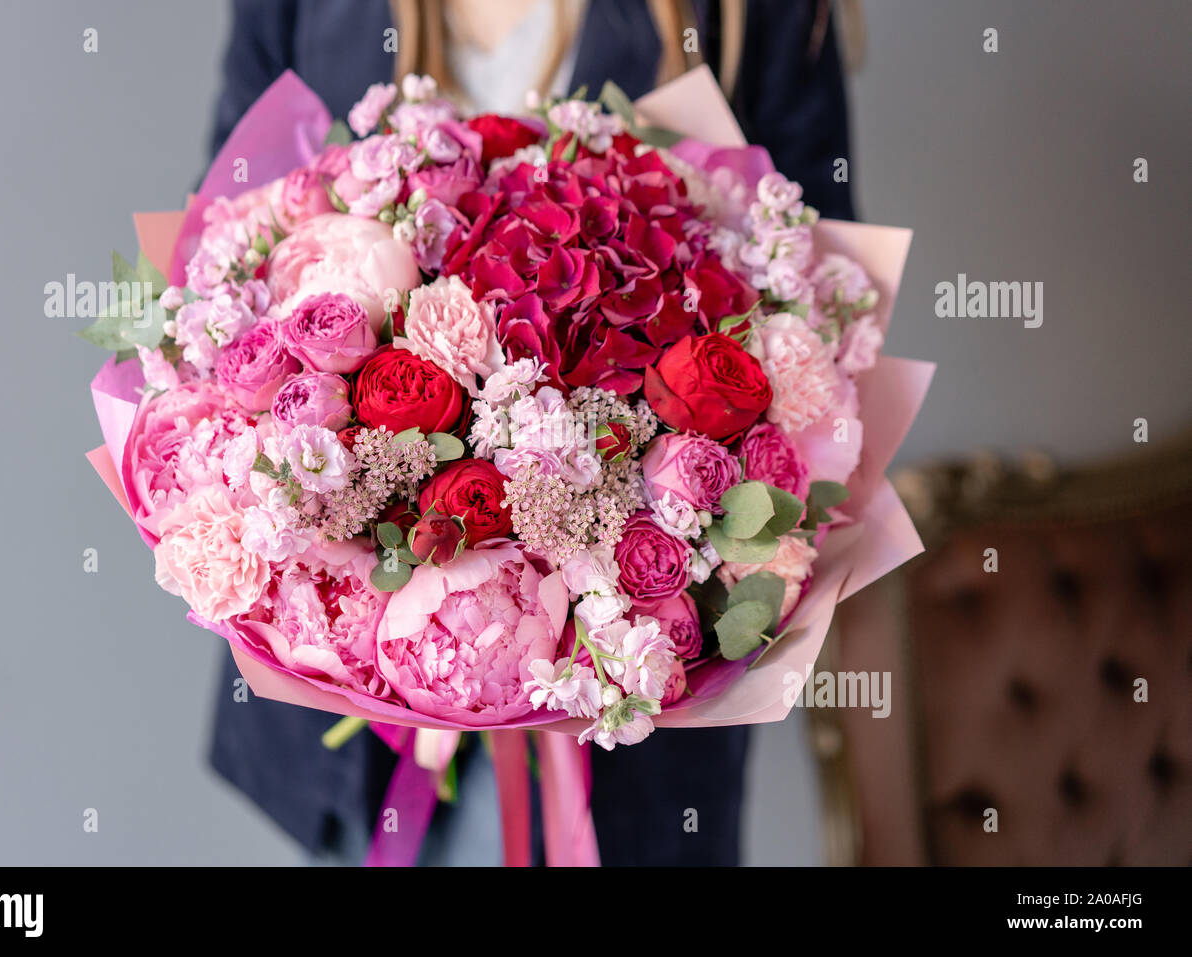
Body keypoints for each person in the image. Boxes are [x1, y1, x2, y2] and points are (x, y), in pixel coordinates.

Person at [206, 0, 856, 866]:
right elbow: (228, 268)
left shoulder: (750, 15)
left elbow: (817, 320)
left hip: (627, 725)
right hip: (351, 716)